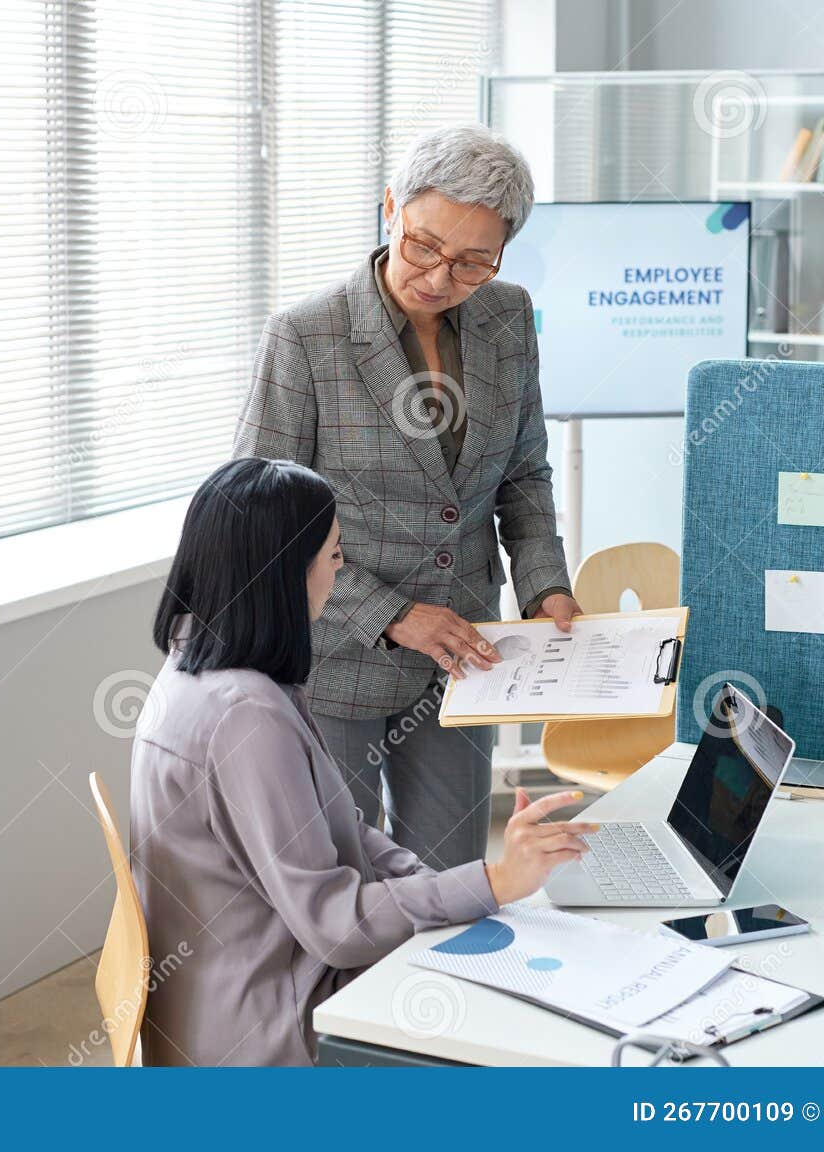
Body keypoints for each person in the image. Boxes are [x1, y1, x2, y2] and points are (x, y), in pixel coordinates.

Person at [130, 457, 592, 1066]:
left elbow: (335, 830)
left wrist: (465, 887)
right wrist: (497, 882)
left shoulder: (193, 665)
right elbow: (334, 925)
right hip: (276, 1028)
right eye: (333, 555)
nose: (340, 570)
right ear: (283, 574)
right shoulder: (248, 719)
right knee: (527, 1019)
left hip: (227, 999)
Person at [234, 124, 579, 871]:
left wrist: (545, 582)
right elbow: (258, 520)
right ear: (391, 207)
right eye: (423, 245)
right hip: (336, 659)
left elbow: (523, 471)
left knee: (453, 878)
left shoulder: (509, 318)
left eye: (471, 262)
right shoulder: (306, 336)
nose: (437, 277)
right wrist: (392, 616)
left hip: (464, 662)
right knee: (340, 886)